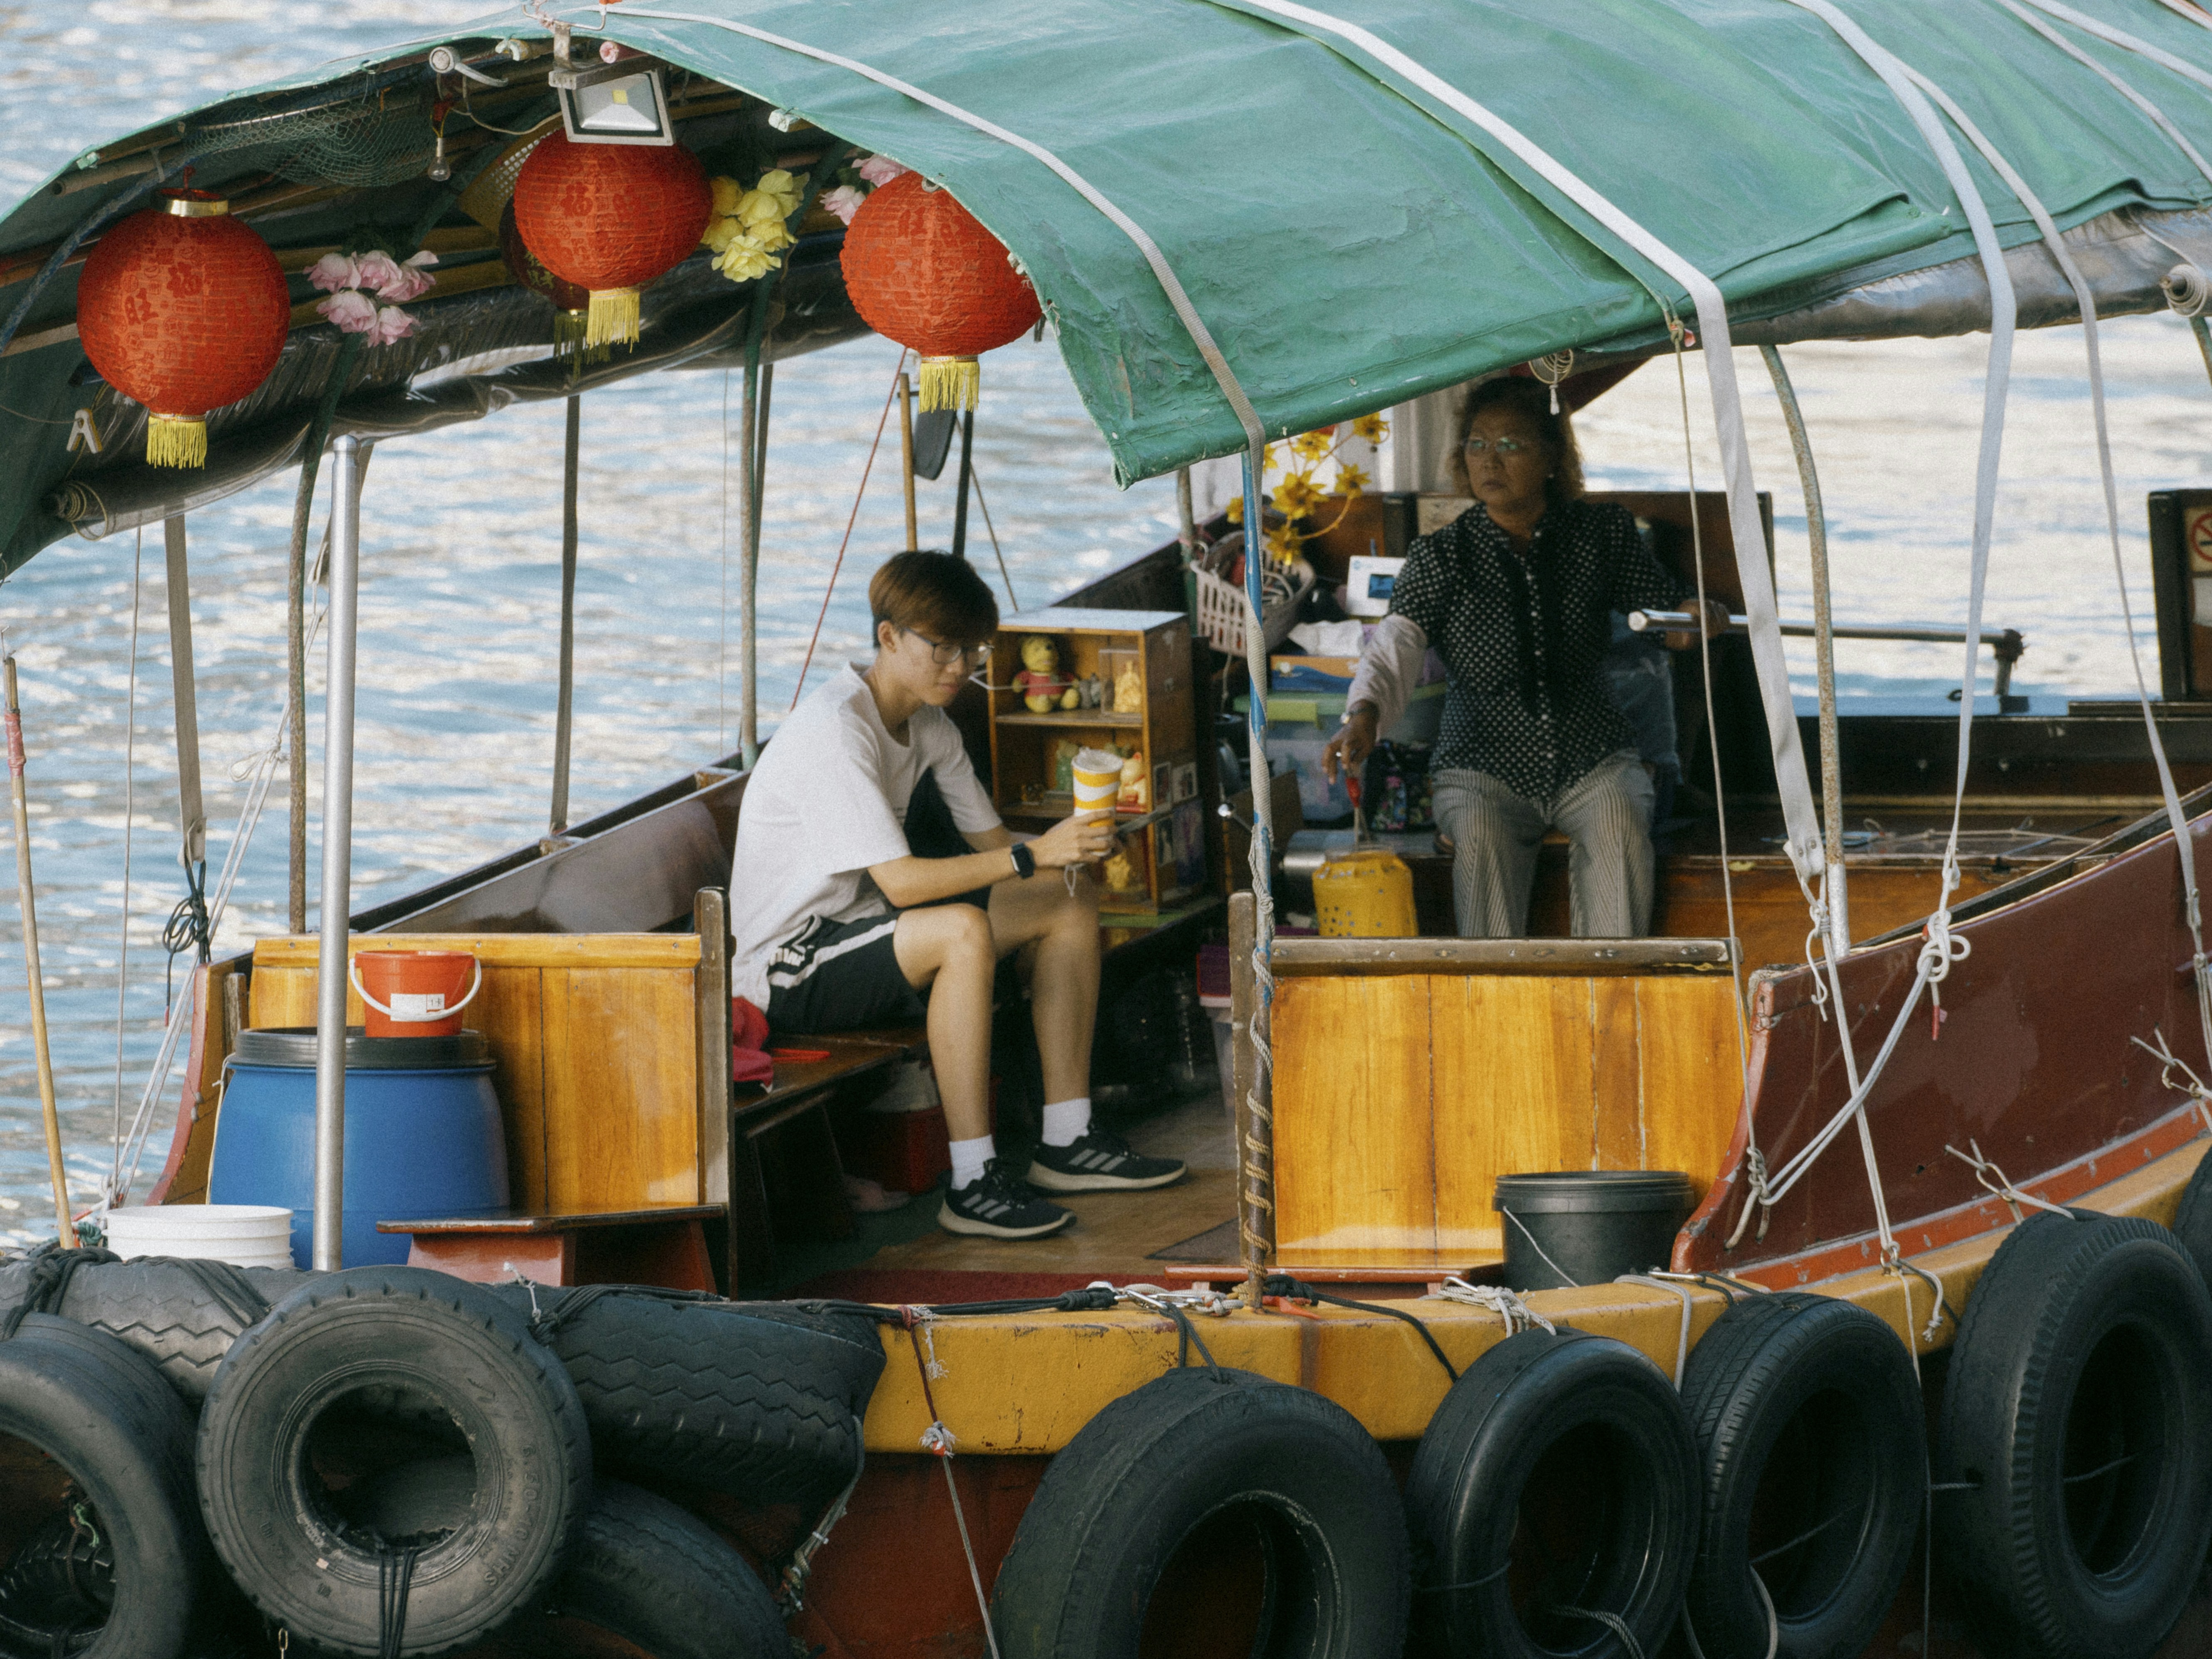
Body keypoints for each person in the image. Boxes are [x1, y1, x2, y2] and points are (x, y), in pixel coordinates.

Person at [729, 550, 1185, 1241]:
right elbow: (907, 882)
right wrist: (1034, 853)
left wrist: (1078, 847)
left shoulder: (929, 725)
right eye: (942, 647)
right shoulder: (836, 731)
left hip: (867, 928)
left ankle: (1067, 1137)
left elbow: (992, 845)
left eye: (971, 649)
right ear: (888, 637)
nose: (959, 665)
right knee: (962, 934)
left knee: (1067, 899)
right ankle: (974, 1180)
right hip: (787, 965)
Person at [1323, 377, 1724, 937]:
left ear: (1552, 457)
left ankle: (1604, 1002)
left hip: (1594, 756)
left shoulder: (1601, 533)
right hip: (1479, 766)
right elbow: (1398, 641)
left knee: (1621, 827)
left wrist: (1695, 617)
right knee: (1481, 843)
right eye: (1477, 444)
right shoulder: (1440, 554)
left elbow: (1661, 617)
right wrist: (1363, 714)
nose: (1491, 460)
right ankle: (1497, 1012)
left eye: (1511, 445)